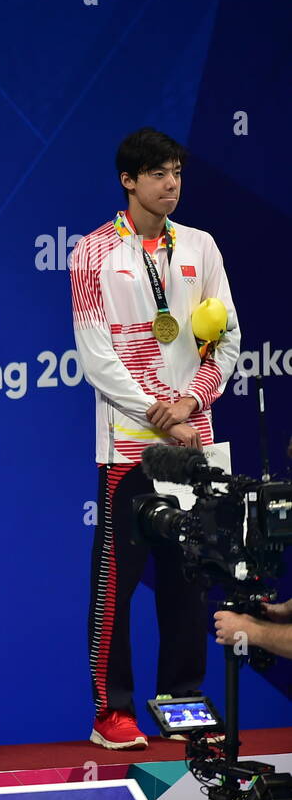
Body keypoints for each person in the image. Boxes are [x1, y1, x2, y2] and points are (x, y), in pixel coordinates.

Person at [69, 127, 241, 750]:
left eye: (177, 173)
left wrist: (192, 400)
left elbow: (228, 339)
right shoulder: (90, 253)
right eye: (159, 173)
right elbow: (97, 356)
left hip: (194, 445)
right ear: (128, 180)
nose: (172, 184)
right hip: (128, 448)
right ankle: (110, 714)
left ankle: (184, 705)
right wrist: (157, 411)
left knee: (188, 581)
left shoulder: (201, 246)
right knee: (114, 584)